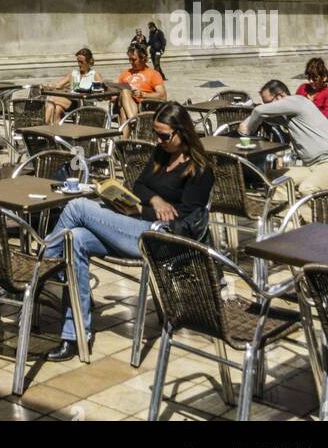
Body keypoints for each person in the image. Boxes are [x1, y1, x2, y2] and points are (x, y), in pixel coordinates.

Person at [44, 102, 213, 360]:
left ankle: (40, 270)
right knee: (75, 238)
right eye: (156, 134)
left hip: (160, 237)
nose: (159, 140)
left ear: (183, 133)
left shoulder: (200, 169)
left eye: (165, 135)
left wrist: (143, 212)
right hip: (137, 228)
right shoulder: (160, 154)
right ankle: (74, 334)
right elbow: (139, 186)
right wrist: (155, 200)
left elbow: (189, 219)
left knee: (77, 206)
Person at [241, 79, 328, 196]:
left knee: (308, 188)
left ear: (281, 95)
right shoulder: (287, 115)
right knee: (274, 180)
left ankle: (311, 215)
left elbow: (259, 111)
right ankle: (286, 214)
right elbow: (260, 115)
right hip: (312, 167)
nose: (267, 107)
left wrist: (246, 132)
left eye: (268, 103)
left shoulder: (297, 101)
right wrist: (245, 124)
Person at [44, 49, 102, 125]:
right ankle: (57, 134)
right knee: (57, 109)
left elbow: (100, 92)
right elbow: (58, 85)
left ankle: (42, 126)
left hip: (85, 103)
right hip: (72, 102)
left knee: (52, 100)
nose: (79, 64)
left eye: (81, 62)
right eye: (78, 62)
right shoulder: (74, 74)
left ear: (89, 62)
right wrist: (48, 86)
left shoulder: (94, 74)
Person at [117, 43, 165, 129]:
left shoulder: (153, 74)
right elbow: (115, 96)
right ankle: (133, 119)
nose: (131, 62)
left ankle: (123, 141)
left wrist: (143, 94)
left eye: (134, 60)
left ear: (143, 58)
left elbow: (162, 96)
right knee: (125, 90)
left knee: (123, 112)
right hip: (125, 102)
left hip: (143, 107)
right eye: (129, 59)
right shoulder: (124, 73)